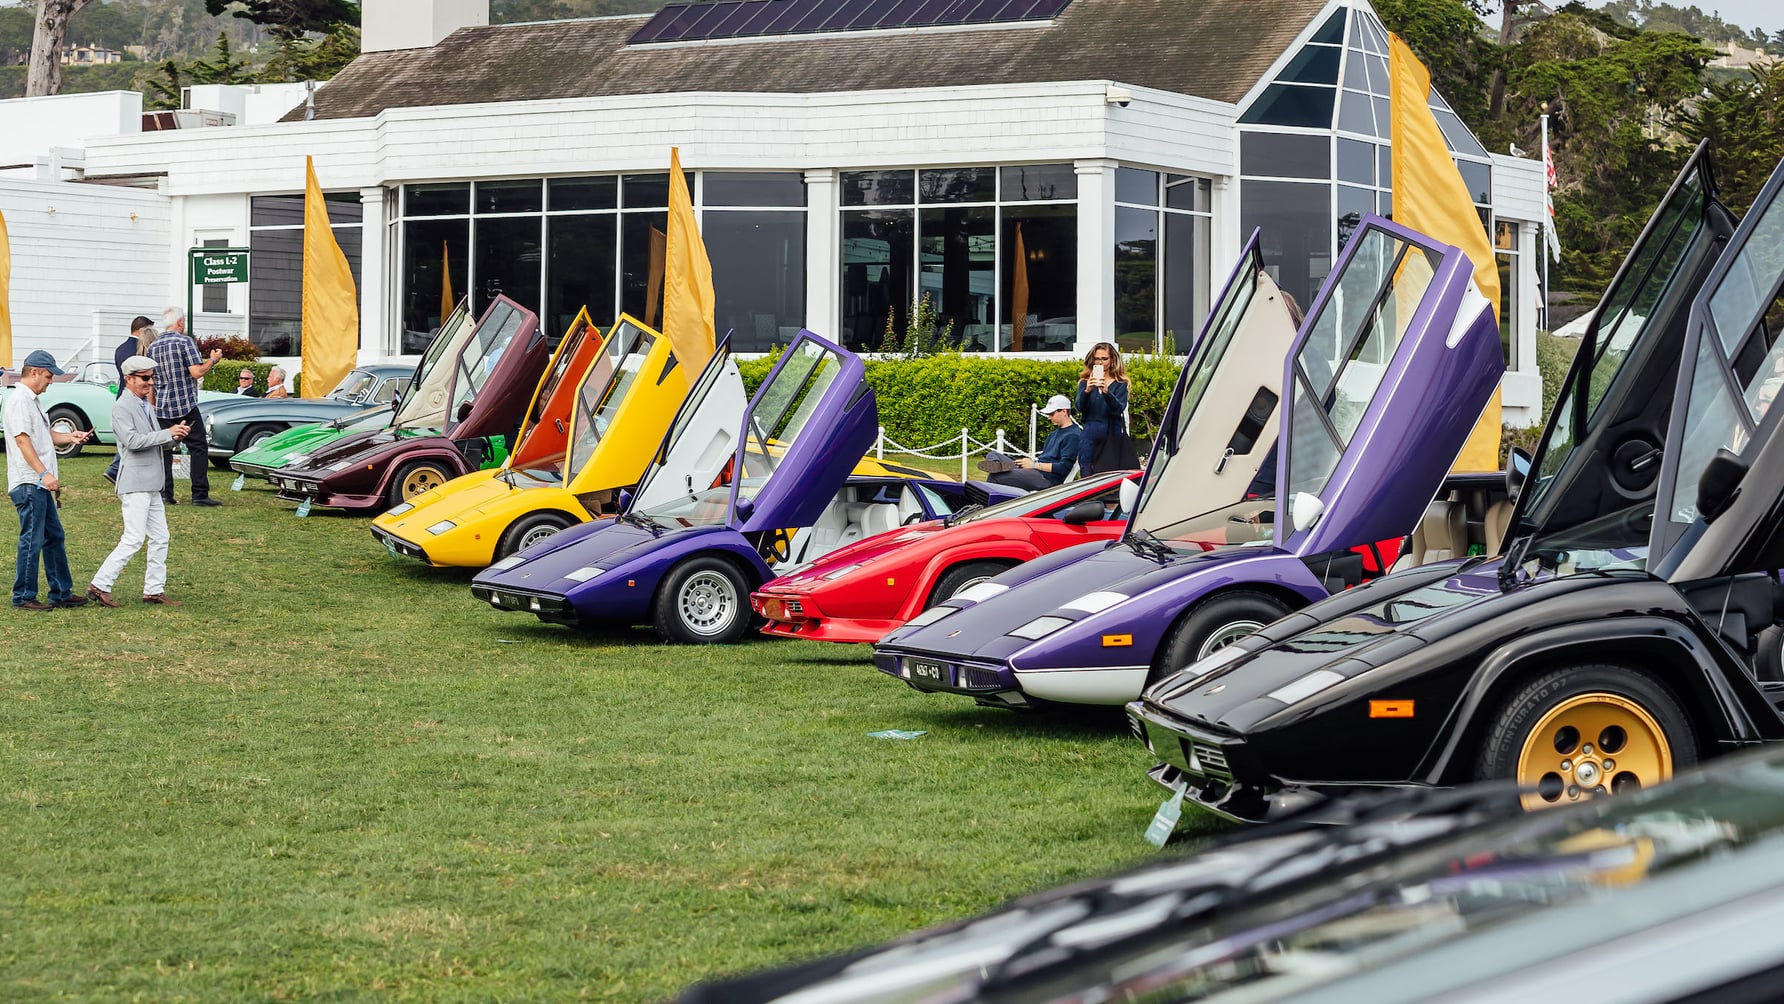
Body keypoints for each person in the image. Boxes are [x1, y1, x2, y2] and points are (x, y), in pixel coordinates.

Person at [87, 356, 190, 608]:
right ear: (129, 379)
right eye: (145, 378)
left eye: (152, 378)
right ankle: (100, 585)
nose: (150, 383)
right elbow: (133, 442)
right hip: (135, 482)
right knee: (133, 538)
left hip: (151, 482)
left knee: (161, 537)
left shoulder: (144, 405)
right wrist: (167, 433)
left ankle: (154, 589)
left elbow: (154, 439)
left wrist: (175, 435)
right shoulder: (122, 407)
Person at [5, 350, 94, 610]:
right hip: (30, 482)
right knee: (32, 539)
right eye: (47, 376)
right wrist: (44, 473)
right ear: (33, 372)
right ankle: (23, 596)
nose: (50, 381)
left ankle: (61, 592)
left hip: (38, 483)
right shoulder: (19, 401)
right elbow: (22, 440)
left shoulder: (32, 401)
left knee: (53, 537)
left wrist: (71, 437)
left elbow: (44, 435)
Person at [145, 306, 224, 507]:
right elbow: (196, 372)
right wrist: (213, 360)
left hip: (163, 404)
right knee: (198, 447)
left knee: (165, 449)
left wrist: (153, 404)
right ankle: (199, 494)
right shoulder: (184, 341)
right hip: (185, 403)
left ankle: (165, 493)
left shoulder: (154, 346)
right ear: (180, 322)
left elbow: (152, 380)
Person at [977, 394, 1083, 491]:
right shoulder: (1053, 434)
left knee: (996, 477)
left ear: (1064, 412)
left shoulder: (1073, 435)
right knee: (993, 454)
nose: (1049, 417)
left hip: (1047, 478)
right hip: (1036, 470)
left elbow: (1063, 468)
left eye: (1051, 414)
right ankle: (1001, 467)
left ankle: (988, 507)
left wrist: (1034, 465)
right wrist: (1029, 463)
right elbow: (1045, 458)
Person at [1074, 342, 1130, 476]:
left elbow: (1118, 408)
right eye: (1097, 359)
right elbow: (1079, 407)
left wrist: (1106, 392)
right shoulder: (1085, 382)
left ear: (1112, 360)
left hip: (1112, 431)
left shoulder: (1120, 383)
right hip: (1090, 430)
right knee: (1086, 468)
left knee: (1110, 471)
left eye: (1104, 359)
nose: (1100, 362)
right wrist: (1087, 390)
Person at [113, 316, 154, 398]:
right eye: (149, 331)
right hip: (136, 395)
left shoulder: (120, 349)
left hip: (122, 393)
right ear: (141, 330)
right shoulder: (141, 349)